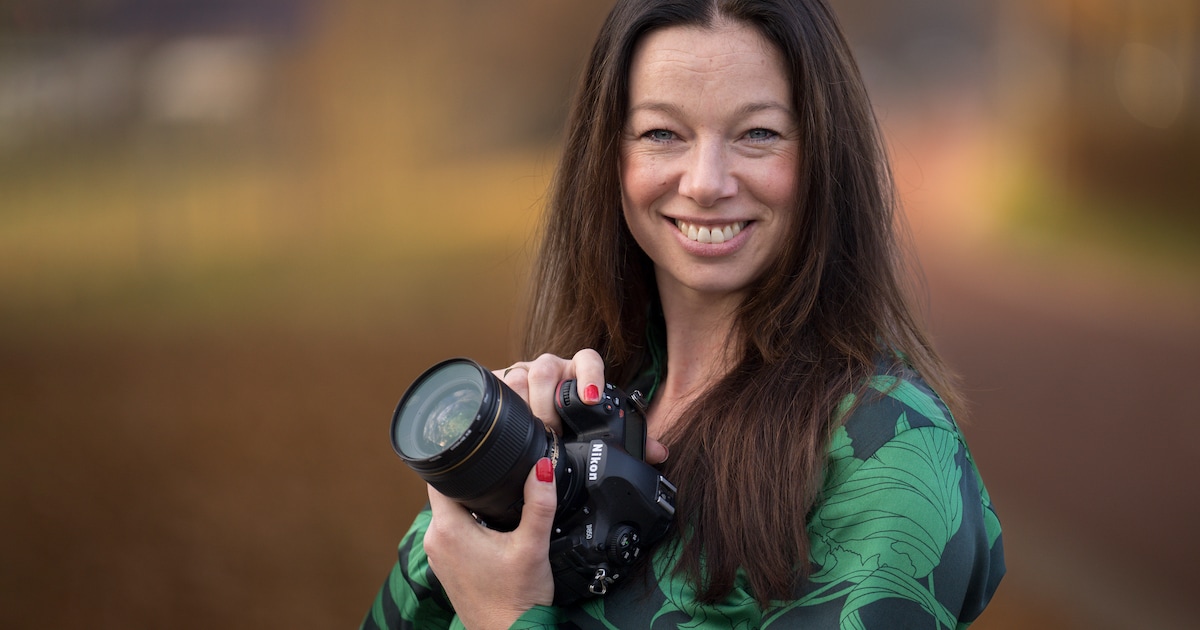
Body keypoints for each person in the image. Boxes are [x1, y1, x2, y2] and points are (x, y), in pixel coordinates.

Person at [362, 0, 1005, 627]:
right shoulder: (585, 403)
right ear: (610, 157)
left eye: (758, 133)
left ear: (822, 156)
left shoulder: (892, 448)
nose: (704, 181)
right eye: (662, 133)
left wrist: (507, 617)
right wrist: (478, 504)